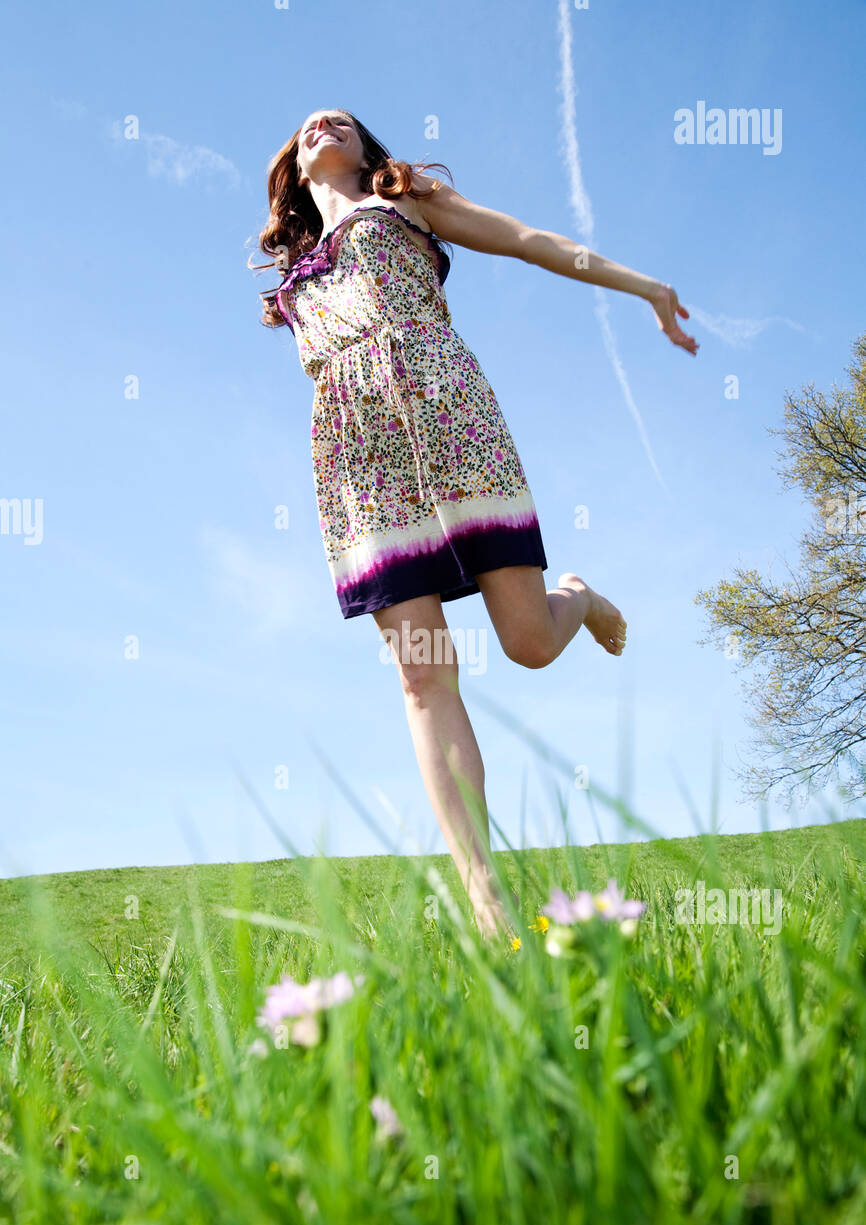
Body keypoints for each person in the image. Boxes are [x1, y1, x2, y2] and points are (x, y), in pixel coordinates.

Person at [254, 108, 698, 939]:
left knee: (528, 643)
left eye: (341, 121)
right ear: (292, 165)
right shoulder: (295, 271)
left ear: (363, 149)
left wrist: (645, 287)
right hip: (356, 447)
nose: (324, 124)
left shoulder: (403, 203)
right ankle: (485, 898)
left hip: (447, 410)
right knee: (423, 675)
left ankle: (577, 596)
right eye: (310, 125)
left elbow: (528, 238)